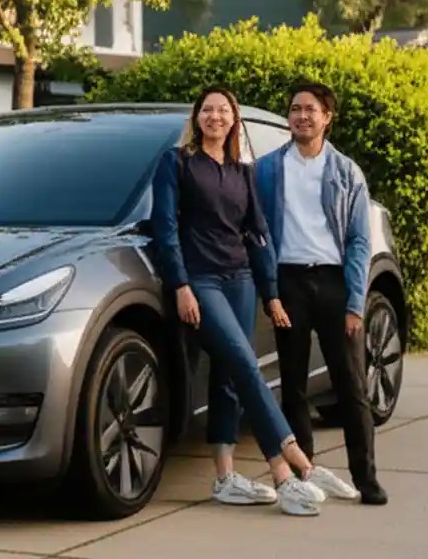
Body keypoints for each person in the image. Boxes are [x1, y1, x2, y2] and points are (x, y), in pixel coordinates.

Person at [150, 86, 349, 517]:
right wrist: (181, 284)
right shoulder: (177, 163)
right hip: (201, 282)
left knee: (229, 377)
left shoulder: (243, 173)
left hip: (240, 279)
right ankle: (295, 466)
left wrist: (271, 293)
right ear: (197, 117)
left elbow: (258, 236)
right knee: (244, 361)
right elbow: (165, 228)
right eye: (207, 110)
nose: (215, 116)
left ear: (234, 119)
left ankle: (225, 479)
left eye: (223, 110)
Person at [254, 82, 389, 506]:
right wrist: (270, 292)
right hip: (289, 283)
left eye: (310, 109)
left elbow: (358, 242)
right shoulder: (268, 169)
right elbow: (257, 234)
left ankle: (366, 479)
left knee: (351, 387)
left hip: (332, 285)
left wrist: (354, 302)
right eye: (295, 109)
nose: (301, 116)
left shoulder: (346, 171)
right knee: (292, 385)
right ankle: (304, 475)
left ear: (327, 117)